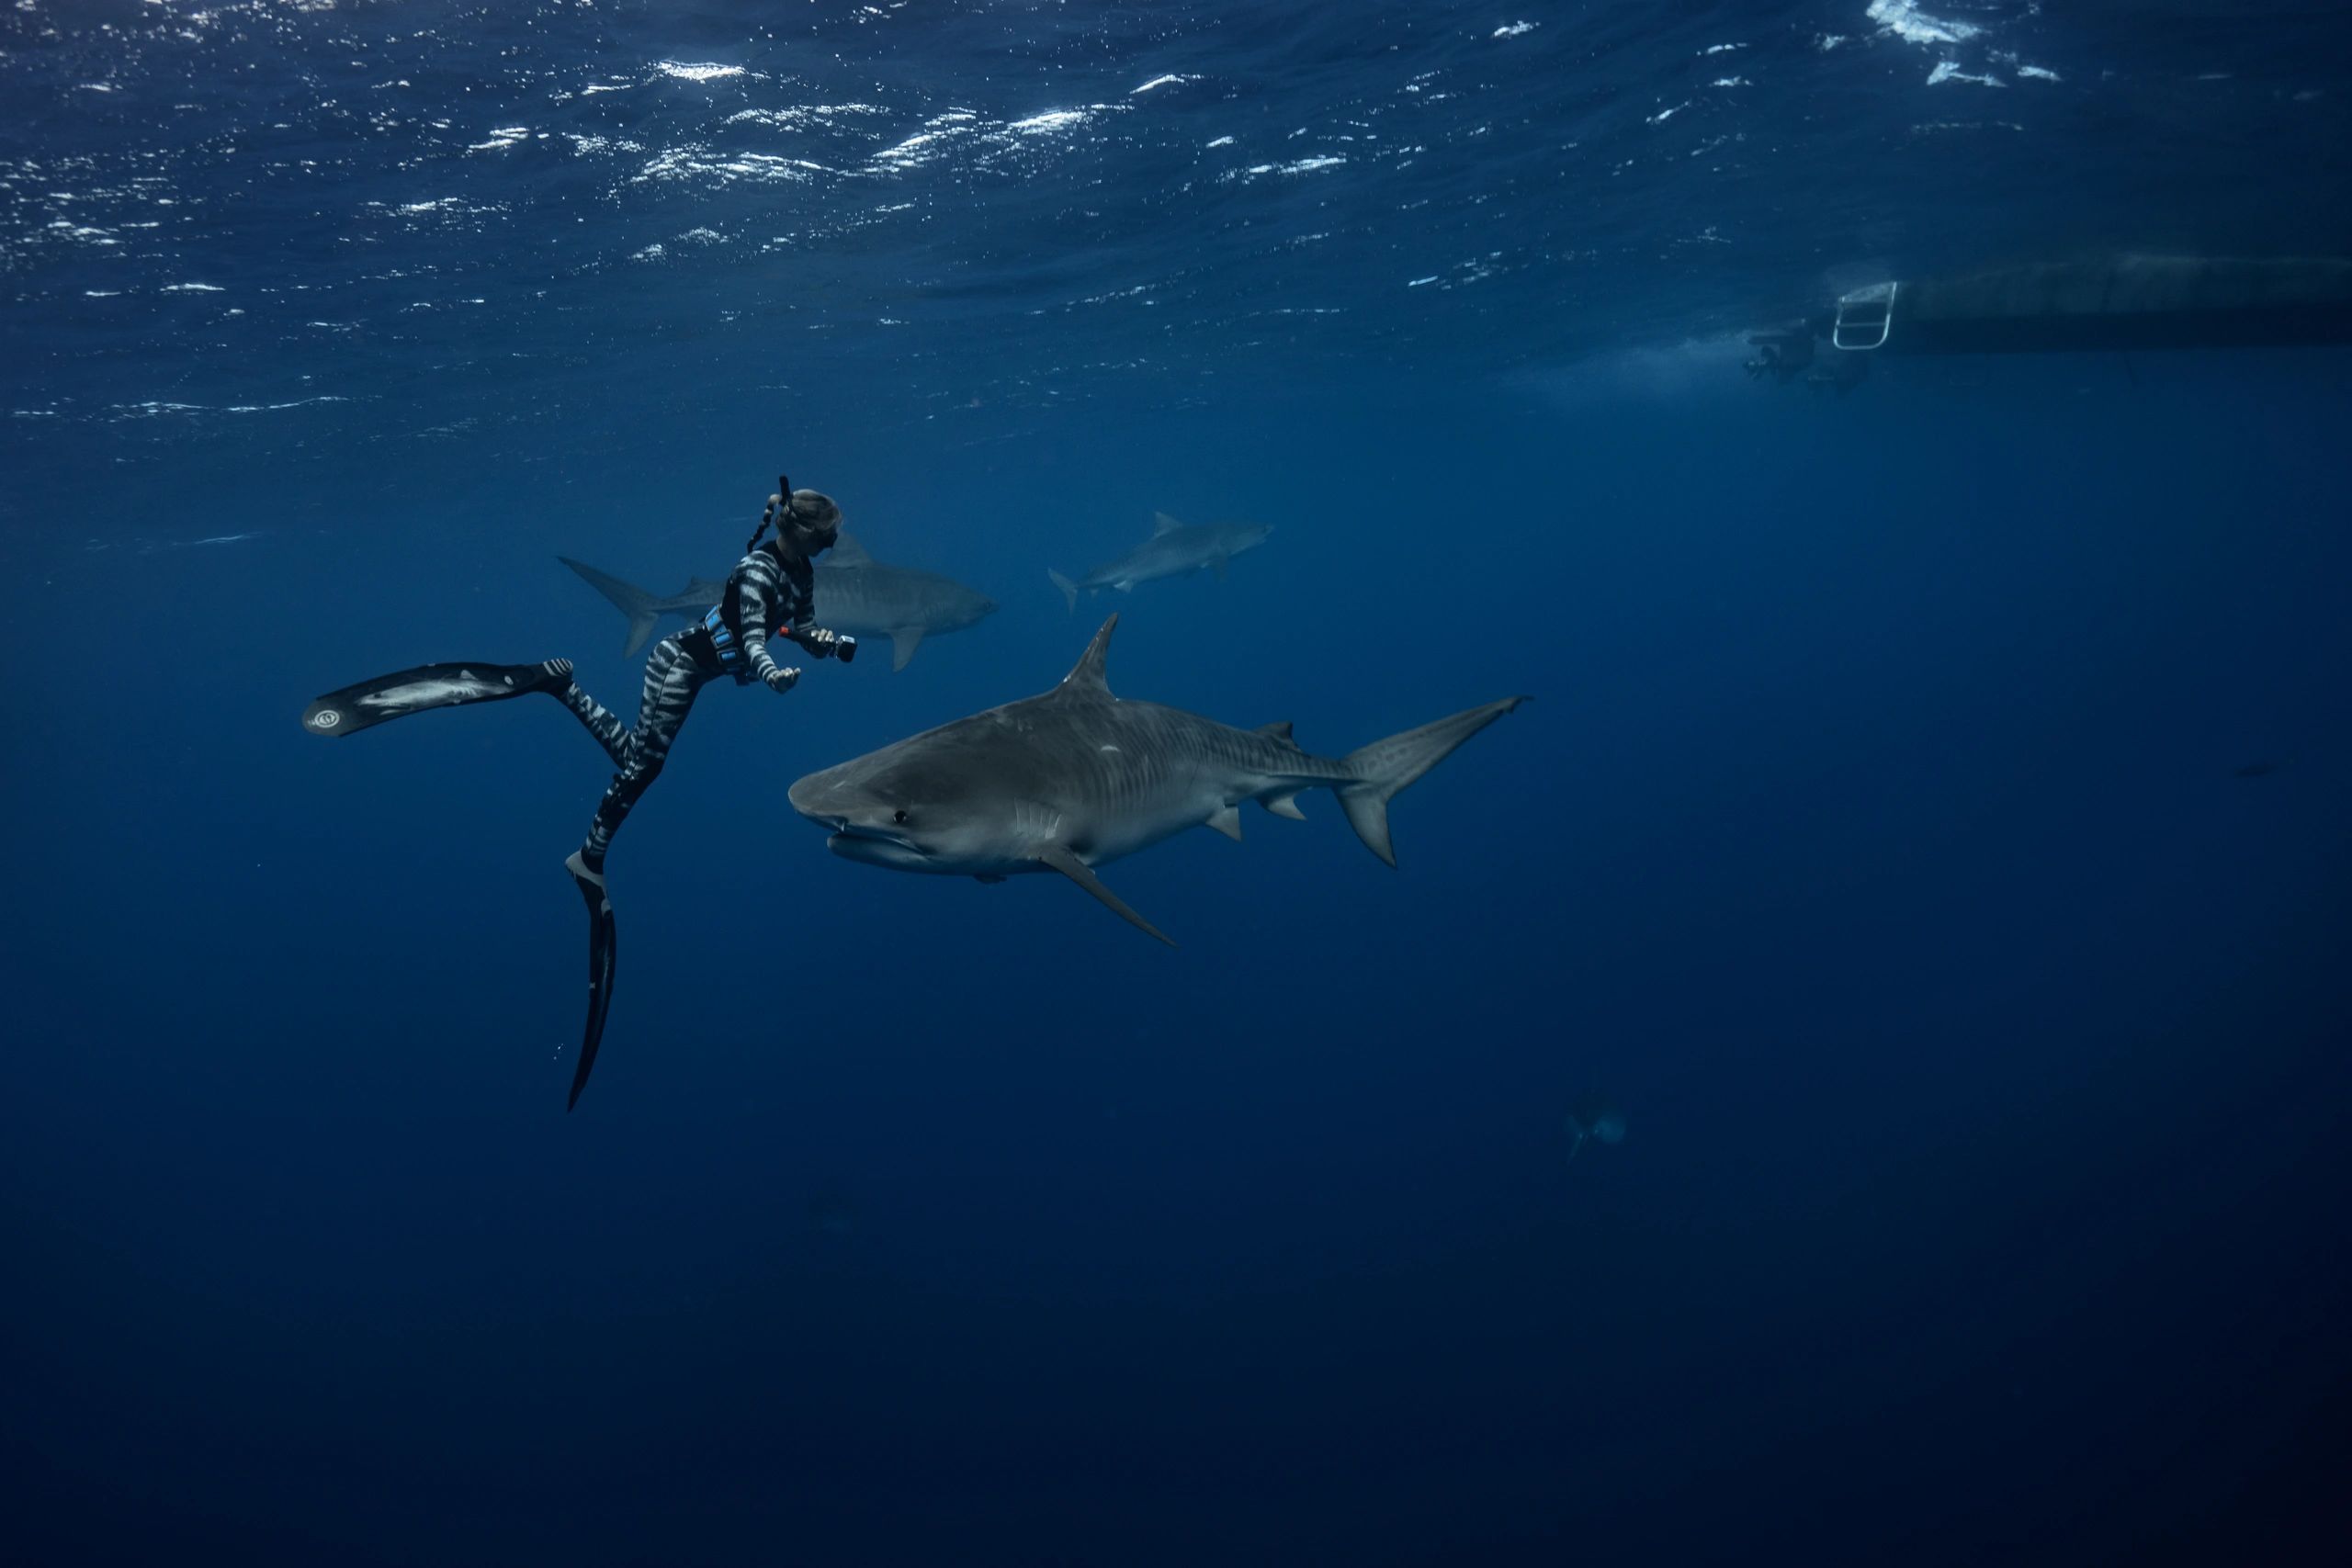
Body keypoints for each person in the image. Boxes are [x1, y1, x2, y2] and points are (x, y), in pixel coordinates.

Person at [554, 483, 853, 900]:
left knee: (638, 760)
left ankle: (564, 690)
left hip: (704, 671)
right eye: (828, 534)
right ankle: (587, 859)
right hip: (677, 663)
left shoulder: (803, 571)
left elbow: (801, 626)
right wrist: (772, 676)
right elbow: (752, 640)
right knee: (643, 767)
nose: (834, 541)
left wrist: (823, 642)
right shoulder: (756, 572)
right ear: (803, 531)